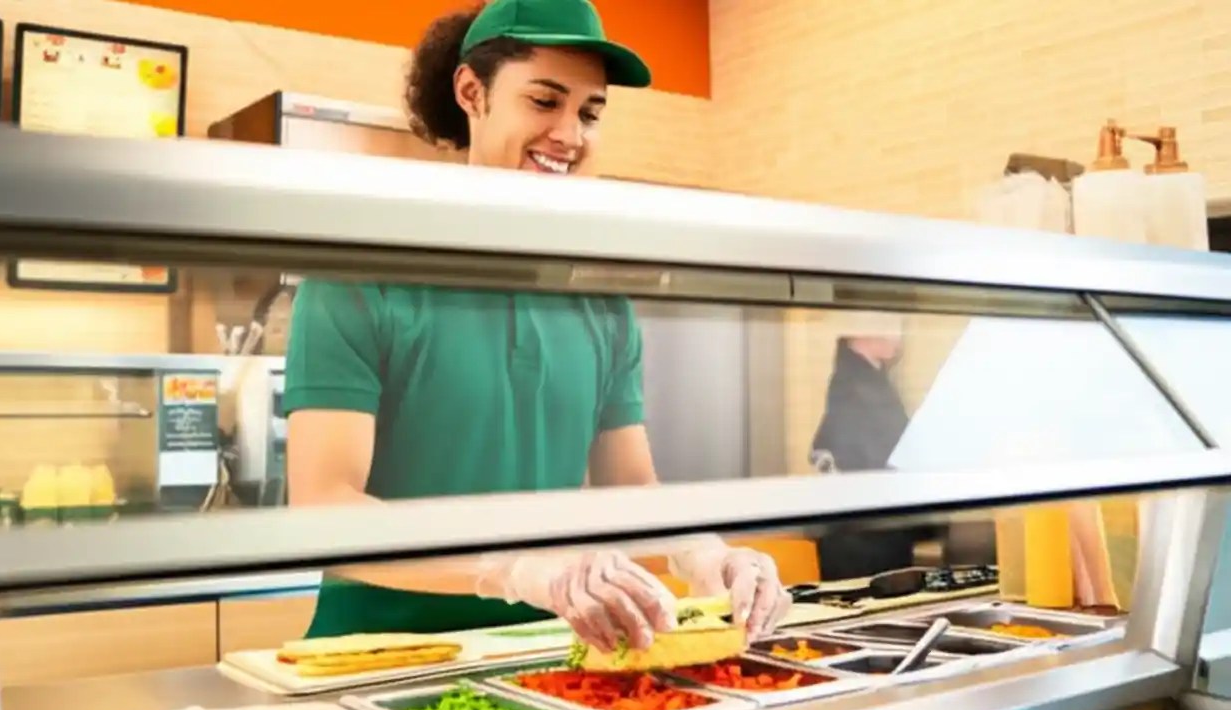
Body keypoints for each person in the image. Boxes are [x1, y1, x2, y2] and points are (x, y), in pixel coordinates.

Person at [284, 0, 790, 653]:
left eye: (589, 112)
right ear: (472, 93)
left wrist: (704, 556)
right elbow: (324, 505)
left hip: (544, 653)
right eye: (544, 101)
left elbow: (630, 489)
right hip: (376, 657)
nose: (570, 135)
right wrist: (514, 567)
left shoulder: (600, 303)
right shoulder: (359, 279)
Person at [810, 315, 926, 580]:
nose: (897, 336)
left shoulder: (865, 380)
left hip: (868, 533)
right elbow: (881, 458)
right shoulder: (856, 388)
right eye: (889, 326)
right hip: (864, 540)